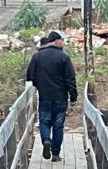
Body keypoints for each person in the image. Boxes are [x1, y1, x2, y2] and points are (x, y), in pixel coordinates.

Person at [24, 30, 78, 161]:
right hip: (60, 98)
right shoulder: (64, 57)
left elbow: (30, 75)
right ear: (56, 41)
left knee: (44, 121)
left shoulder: (37, 56)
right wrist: (73, 95)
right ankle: (55, 154)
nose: (63, 43)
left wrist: (39, 85)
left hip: (44, 97)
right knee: (58, 126)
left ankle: (46, 140)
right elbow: (70, 78)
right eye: (62, 40)